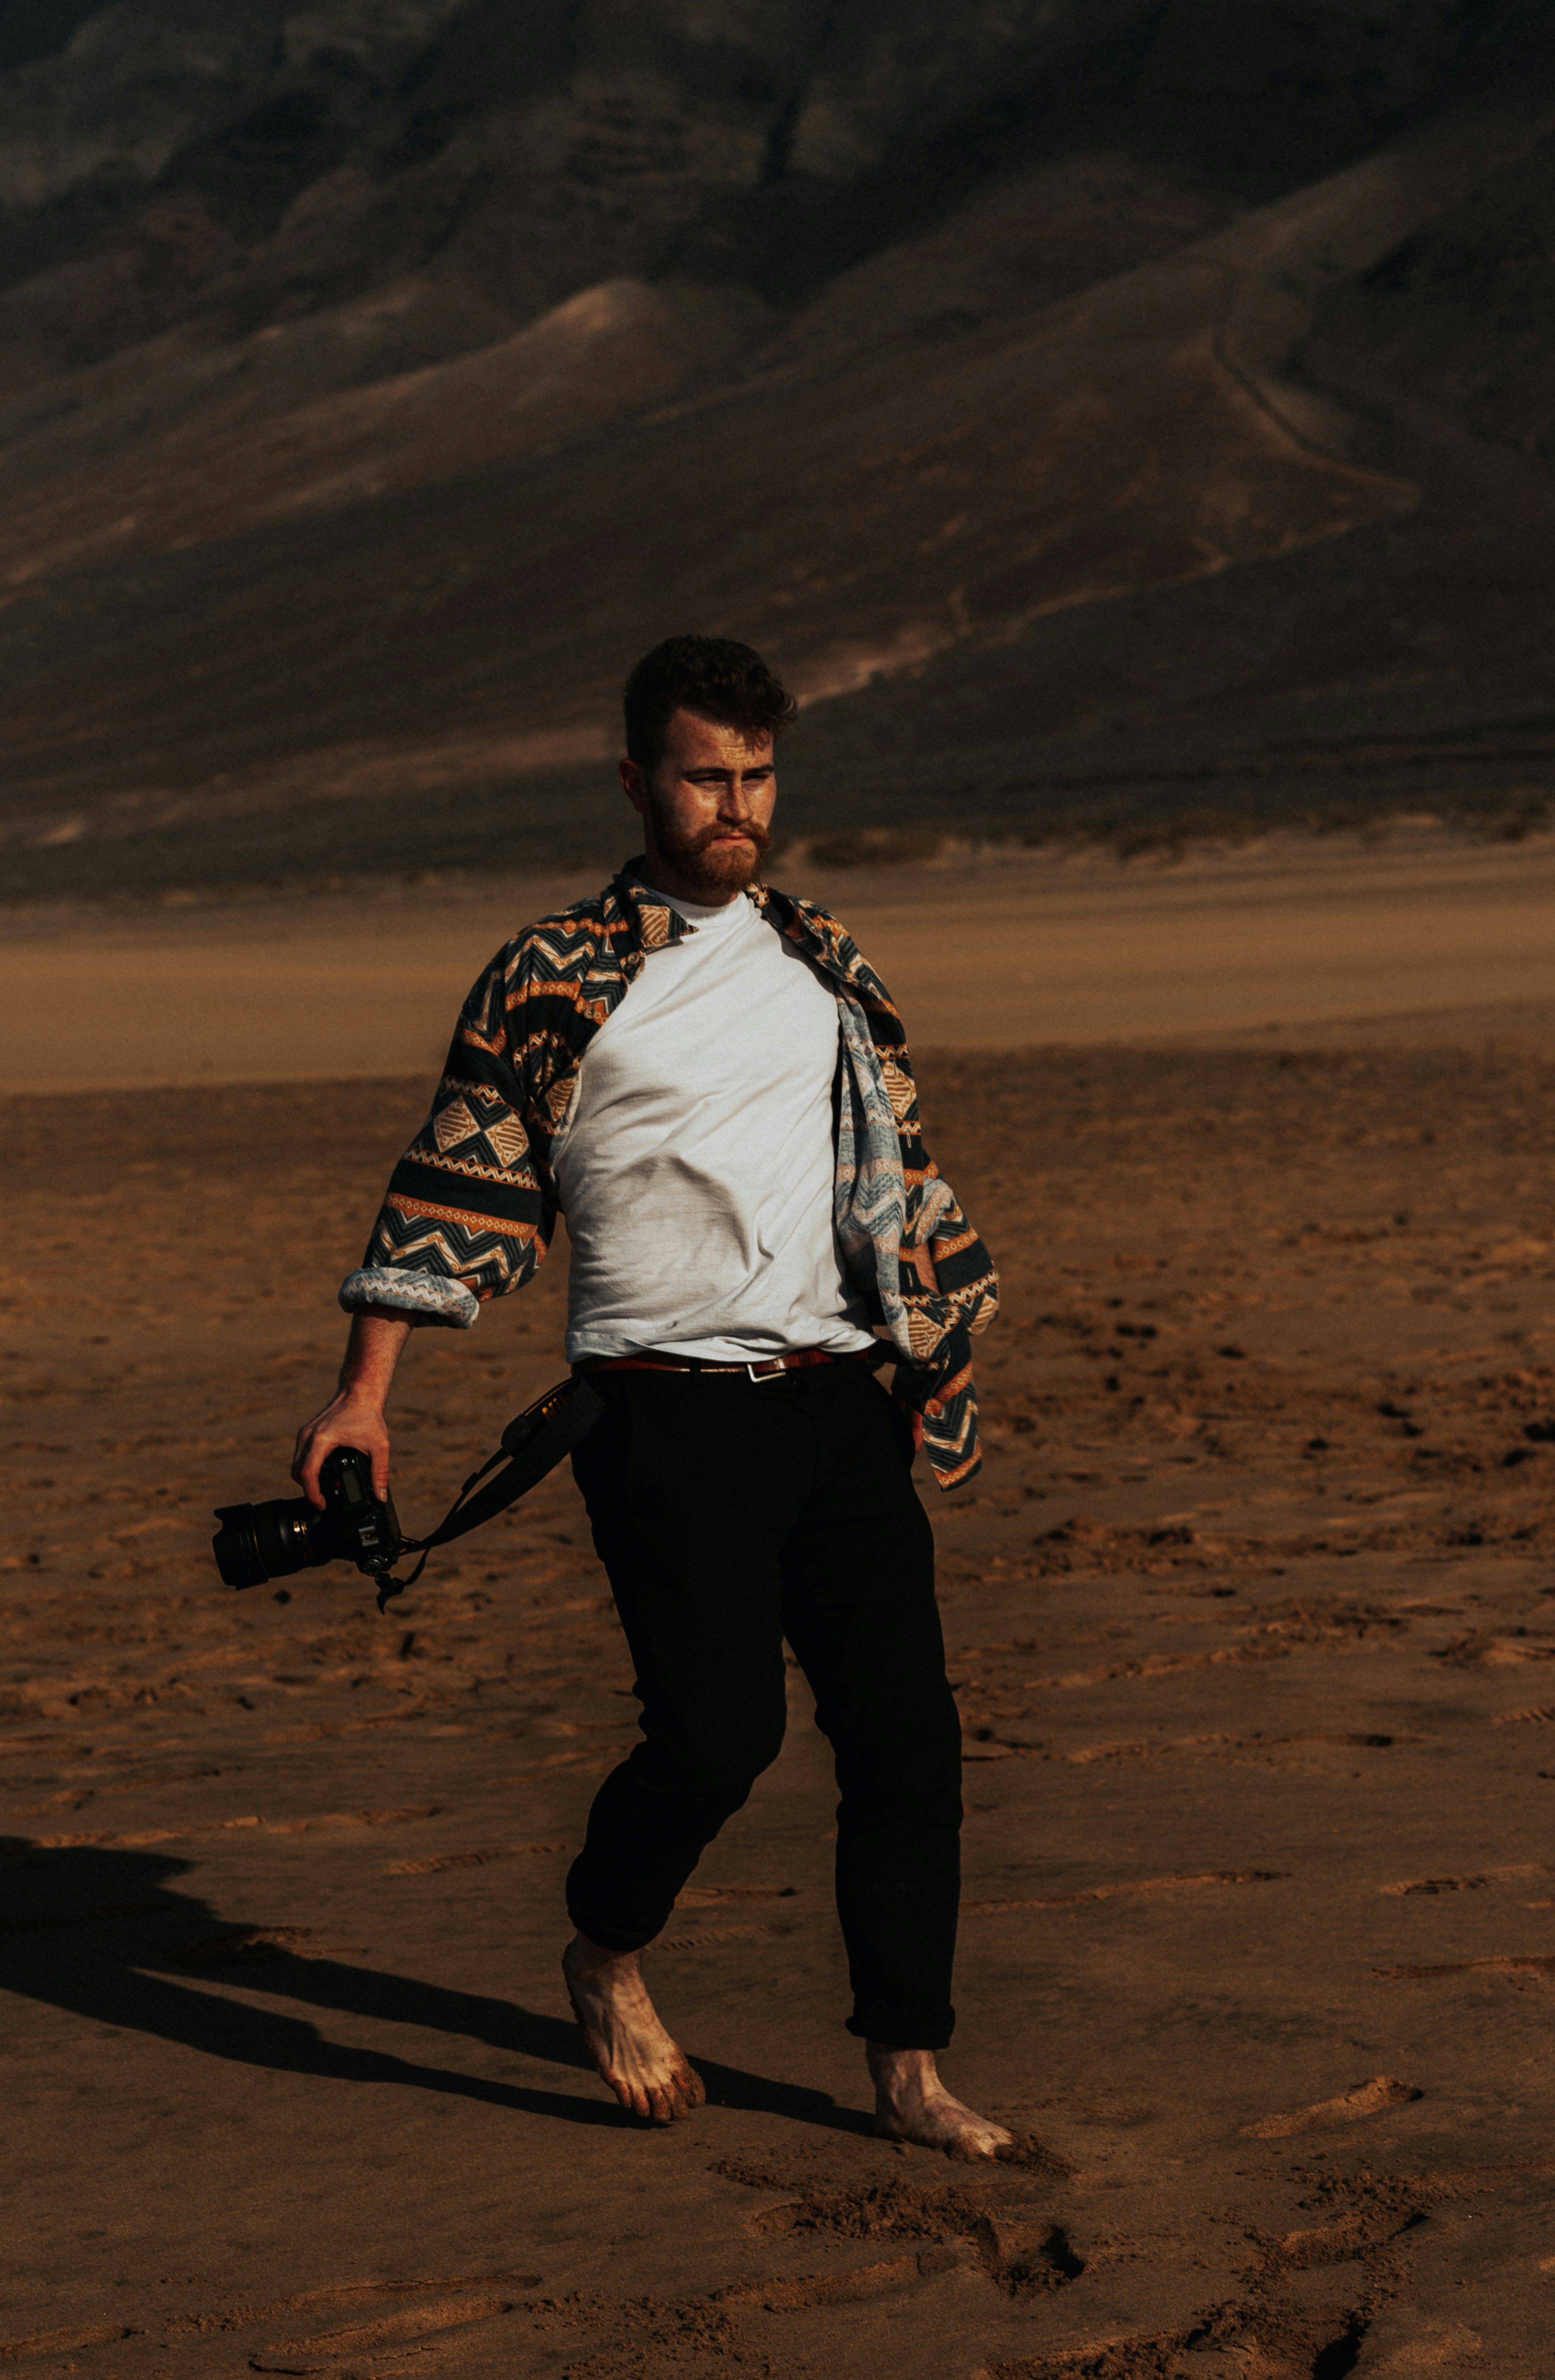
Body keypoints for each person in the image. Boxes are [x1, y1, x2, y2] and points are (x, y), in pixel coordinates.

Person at [291, 635, 1010, 2157]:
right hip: (664, 1414)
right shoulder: (559, 975)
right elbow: (461, 1180)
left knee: (908, 1748)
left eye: (756, 775)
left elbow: (897, 1164)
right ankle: (605, 1951)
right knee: (718, 1735)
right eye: (705, 775)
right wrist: (365, 1396)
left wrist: (923, 1333)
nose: (735, 803)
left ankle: (909, 2066)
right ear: (637, 781)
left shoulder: (825, 957)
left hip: (835, 1402)